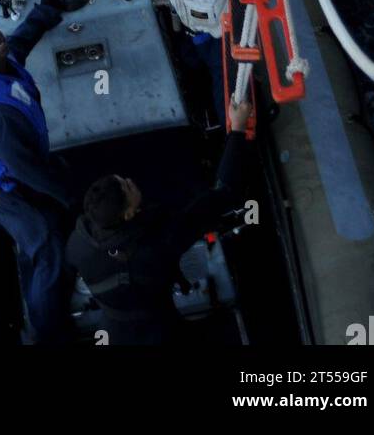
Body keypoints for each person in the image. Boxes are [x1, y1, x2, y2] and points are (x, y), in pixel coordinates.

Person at [66, 98, 253, 344]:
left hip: (115, 329)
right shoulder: (160, 241)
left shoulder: (77, 245)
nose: (130, 180)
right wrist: (238, 129)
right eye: (126, 186)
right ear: (128, 214)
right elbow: (224, 195)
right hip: (159, 327)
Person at [0, 0, 74, 344]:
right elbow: (28, 172)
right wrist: (71, 197)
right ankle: (47, 331)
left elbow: (17, 43)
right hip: (9, 183)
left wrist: (44, 11)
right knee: (49, 246)